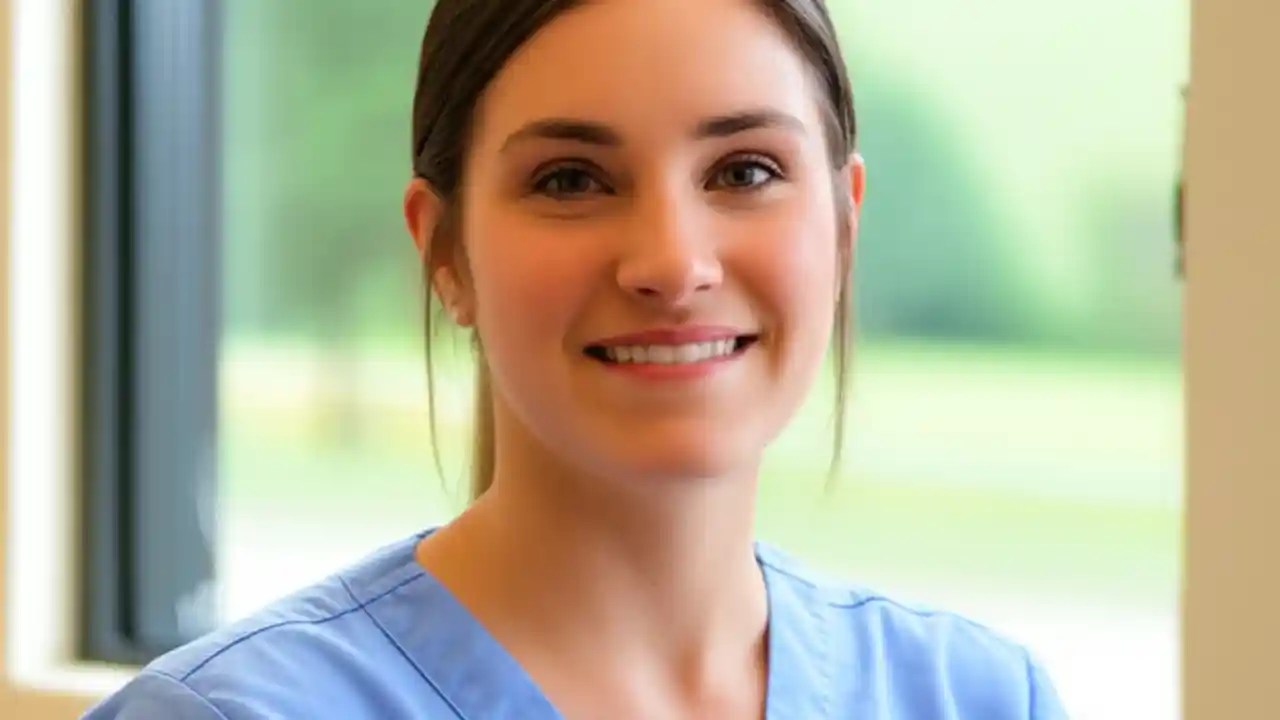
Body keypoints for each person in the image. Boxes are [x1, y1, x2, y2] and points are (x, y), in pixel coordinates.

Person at [86, 0, 1068, 717]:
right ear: (445, 252)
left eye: (744, 170)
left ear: (844, 224)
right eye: (570, 180)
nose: (672, 264)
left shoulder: (979, 699)